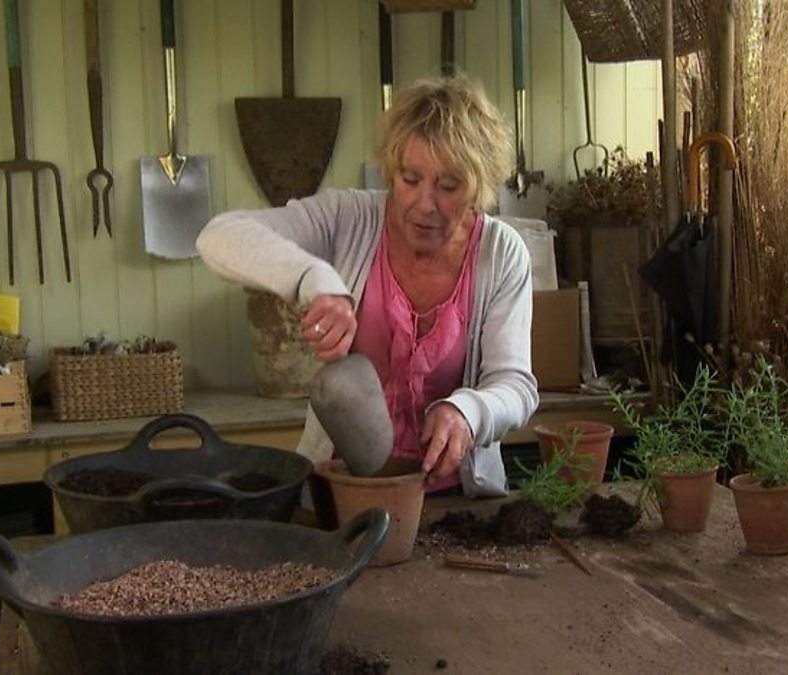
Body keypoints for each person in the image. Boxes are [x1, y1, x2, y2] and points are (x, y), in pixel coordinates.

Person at [197, 75, 537, 497]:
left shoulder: (501, 254)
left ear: (478, 188)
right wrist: (315, 281)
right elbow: (218, 236)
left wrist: (468, 412)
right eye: (410, 179)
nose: (424, 204)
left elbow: (516, 387)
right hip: (337, 491)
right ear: (391, 172)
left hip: (453, 500)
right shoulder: (348, 219)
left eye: (448, 186)